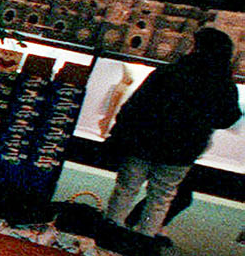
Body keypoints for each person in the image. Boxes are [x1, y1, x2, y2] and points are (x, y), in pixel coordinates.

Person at [101, 27, 240, 243]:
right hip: (183, 150)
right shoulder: (223, 84)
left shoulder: (169, 72)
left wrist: (119, 132)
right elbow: (227, 118)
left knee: (127, 187)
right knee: (162, 196)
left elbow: (137, 105)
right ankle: (144, 239)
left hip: (145, 141)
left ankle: (110, 231)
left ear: (197, 47)